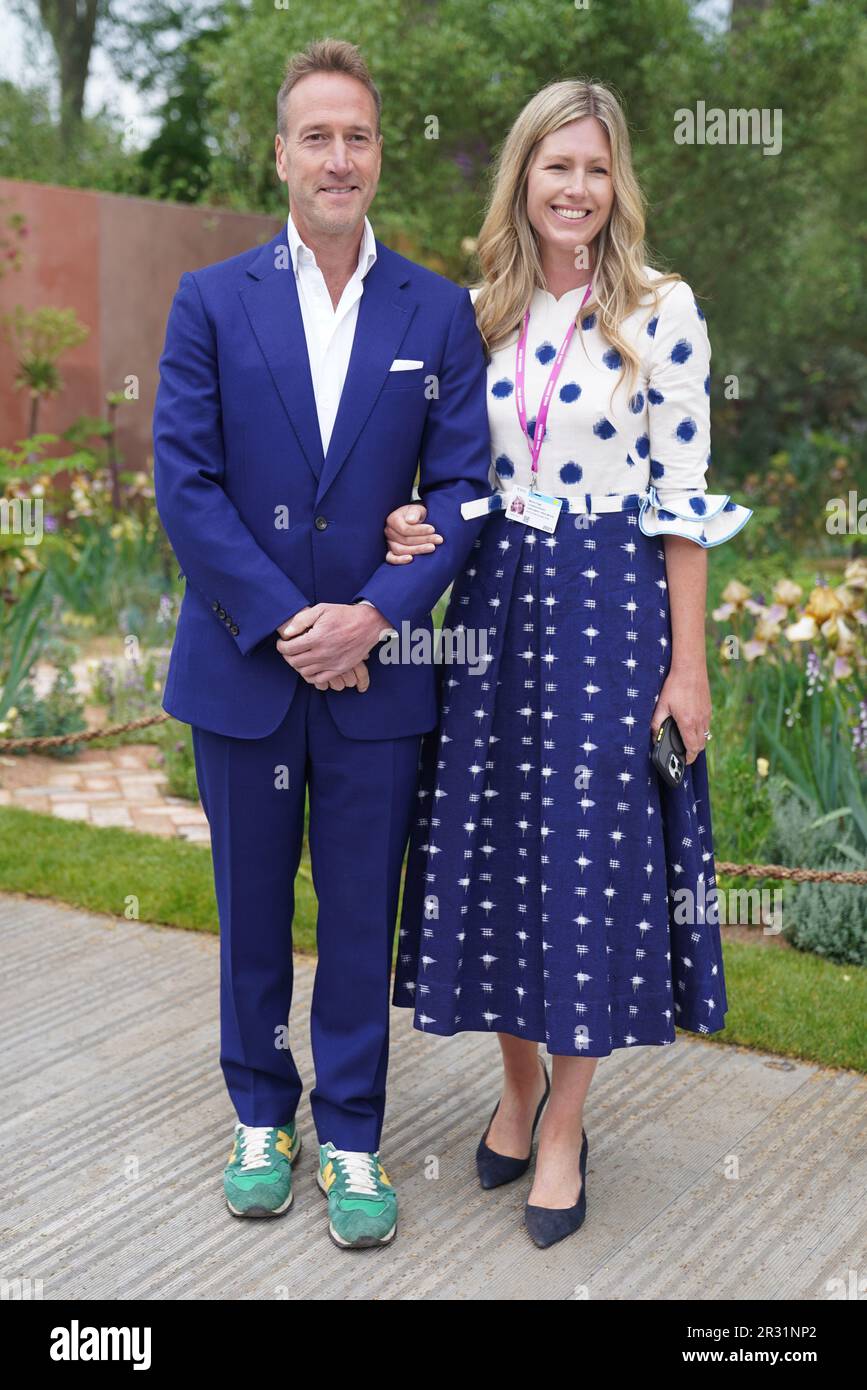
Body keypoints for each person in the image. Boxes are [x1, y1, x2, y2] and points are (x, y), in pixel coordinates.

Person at [384, 78, 753, 1248]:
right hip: (496, 599)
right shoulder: (478, 308)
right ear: (524, 177)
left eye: (597, 169)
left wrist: (687, 670)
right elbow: (449, 471)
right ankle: (516, 1083)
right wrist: (411, 524)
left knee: (589, 866)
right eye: (557, 167)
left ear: (617, 183)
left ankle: (565, 1123)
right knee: (497, 848)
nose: (577, 190)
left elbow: (683, 510)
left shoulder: (662, 309)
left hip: (608, 604)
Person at [152, 38, 493, 1250]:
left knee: (358, 917)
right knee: (249, 913)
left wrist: (377, 618)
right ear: (282, 154)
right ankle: (261, 1116)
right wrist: (296, 622)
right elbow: (185, 484)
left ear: (378, 154)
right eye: (316, 135)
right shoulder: (211, 301)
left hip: (380, 678)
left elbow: (462, 493)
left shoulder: (437, 312)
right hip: (246, 666)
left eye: (357, 136)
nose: (337, 156)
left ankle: (353, 1136)